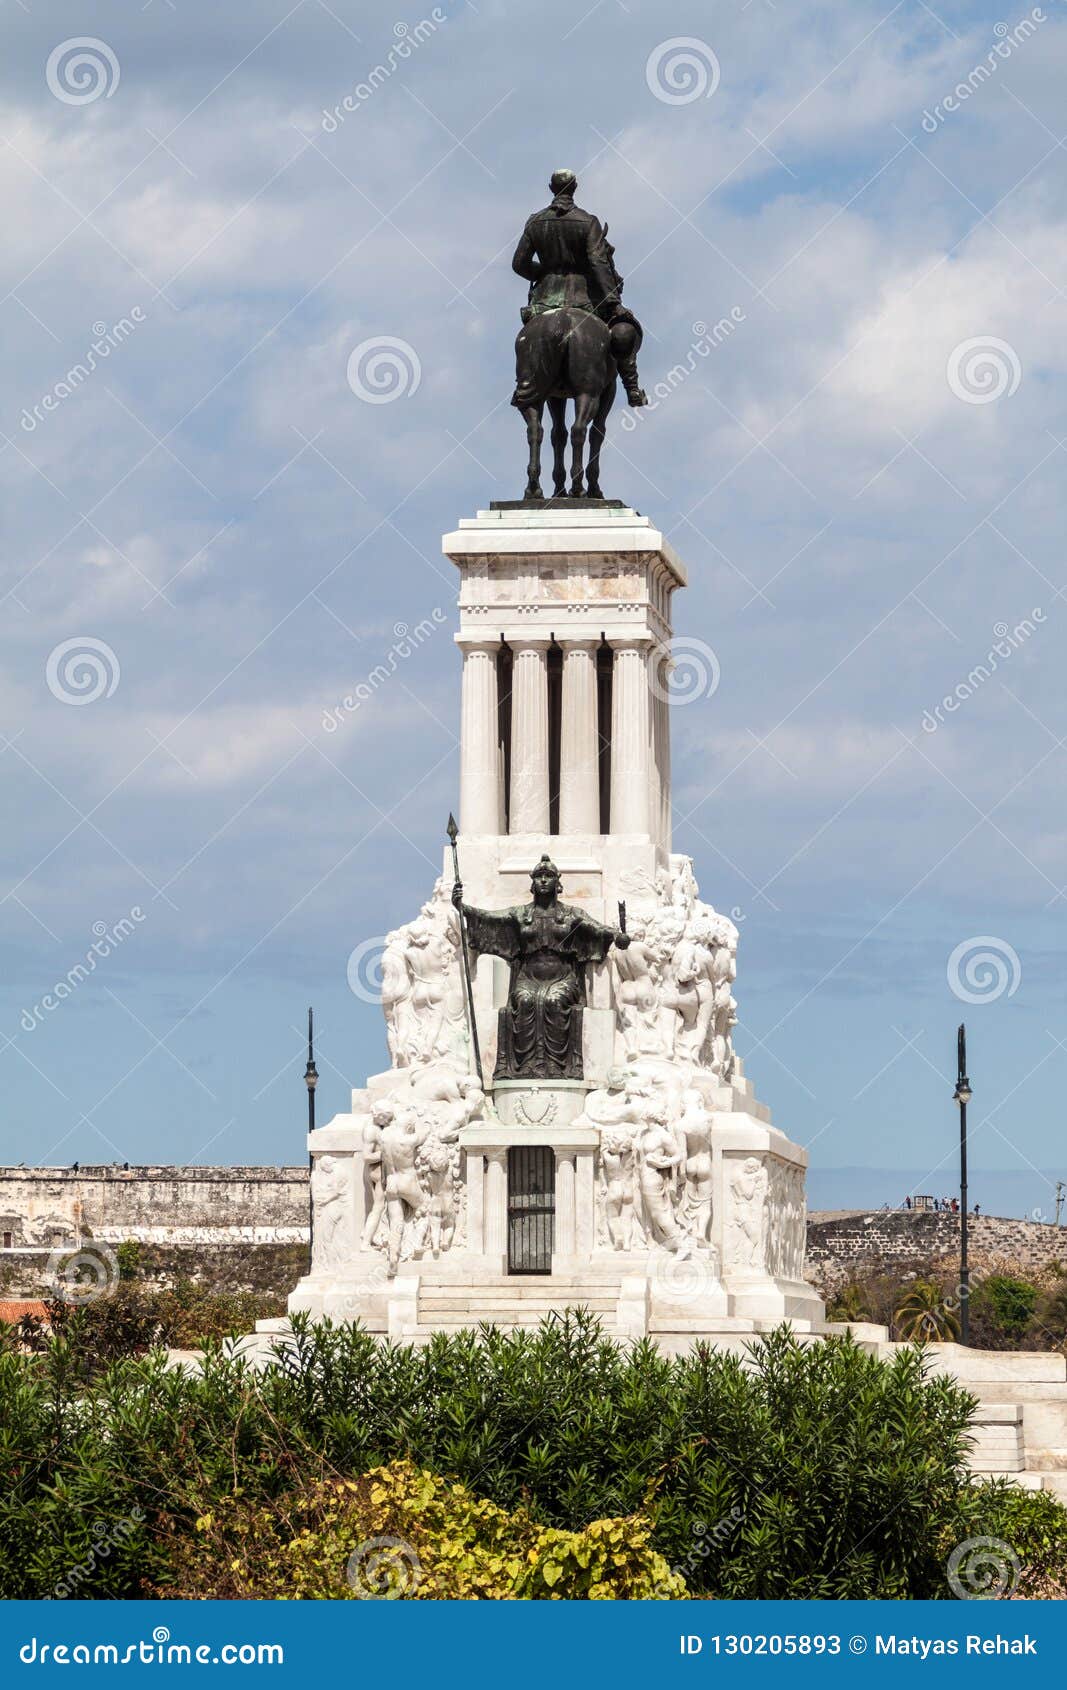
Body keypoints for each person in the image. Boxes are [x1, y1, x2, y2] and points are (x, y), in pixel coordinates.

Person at [511, 169, 647, 407]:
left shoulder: (535, 222)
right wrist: (615, 303)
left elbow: (519, 264)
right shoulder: (588, 222)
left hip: (544, 303)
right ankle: (633, 389)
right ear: (575, 187)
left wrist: (544, 272)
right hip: (586, 302)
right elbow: (598, 263)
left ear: (551, 188)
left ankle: (523, 385)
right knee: (624, 332)